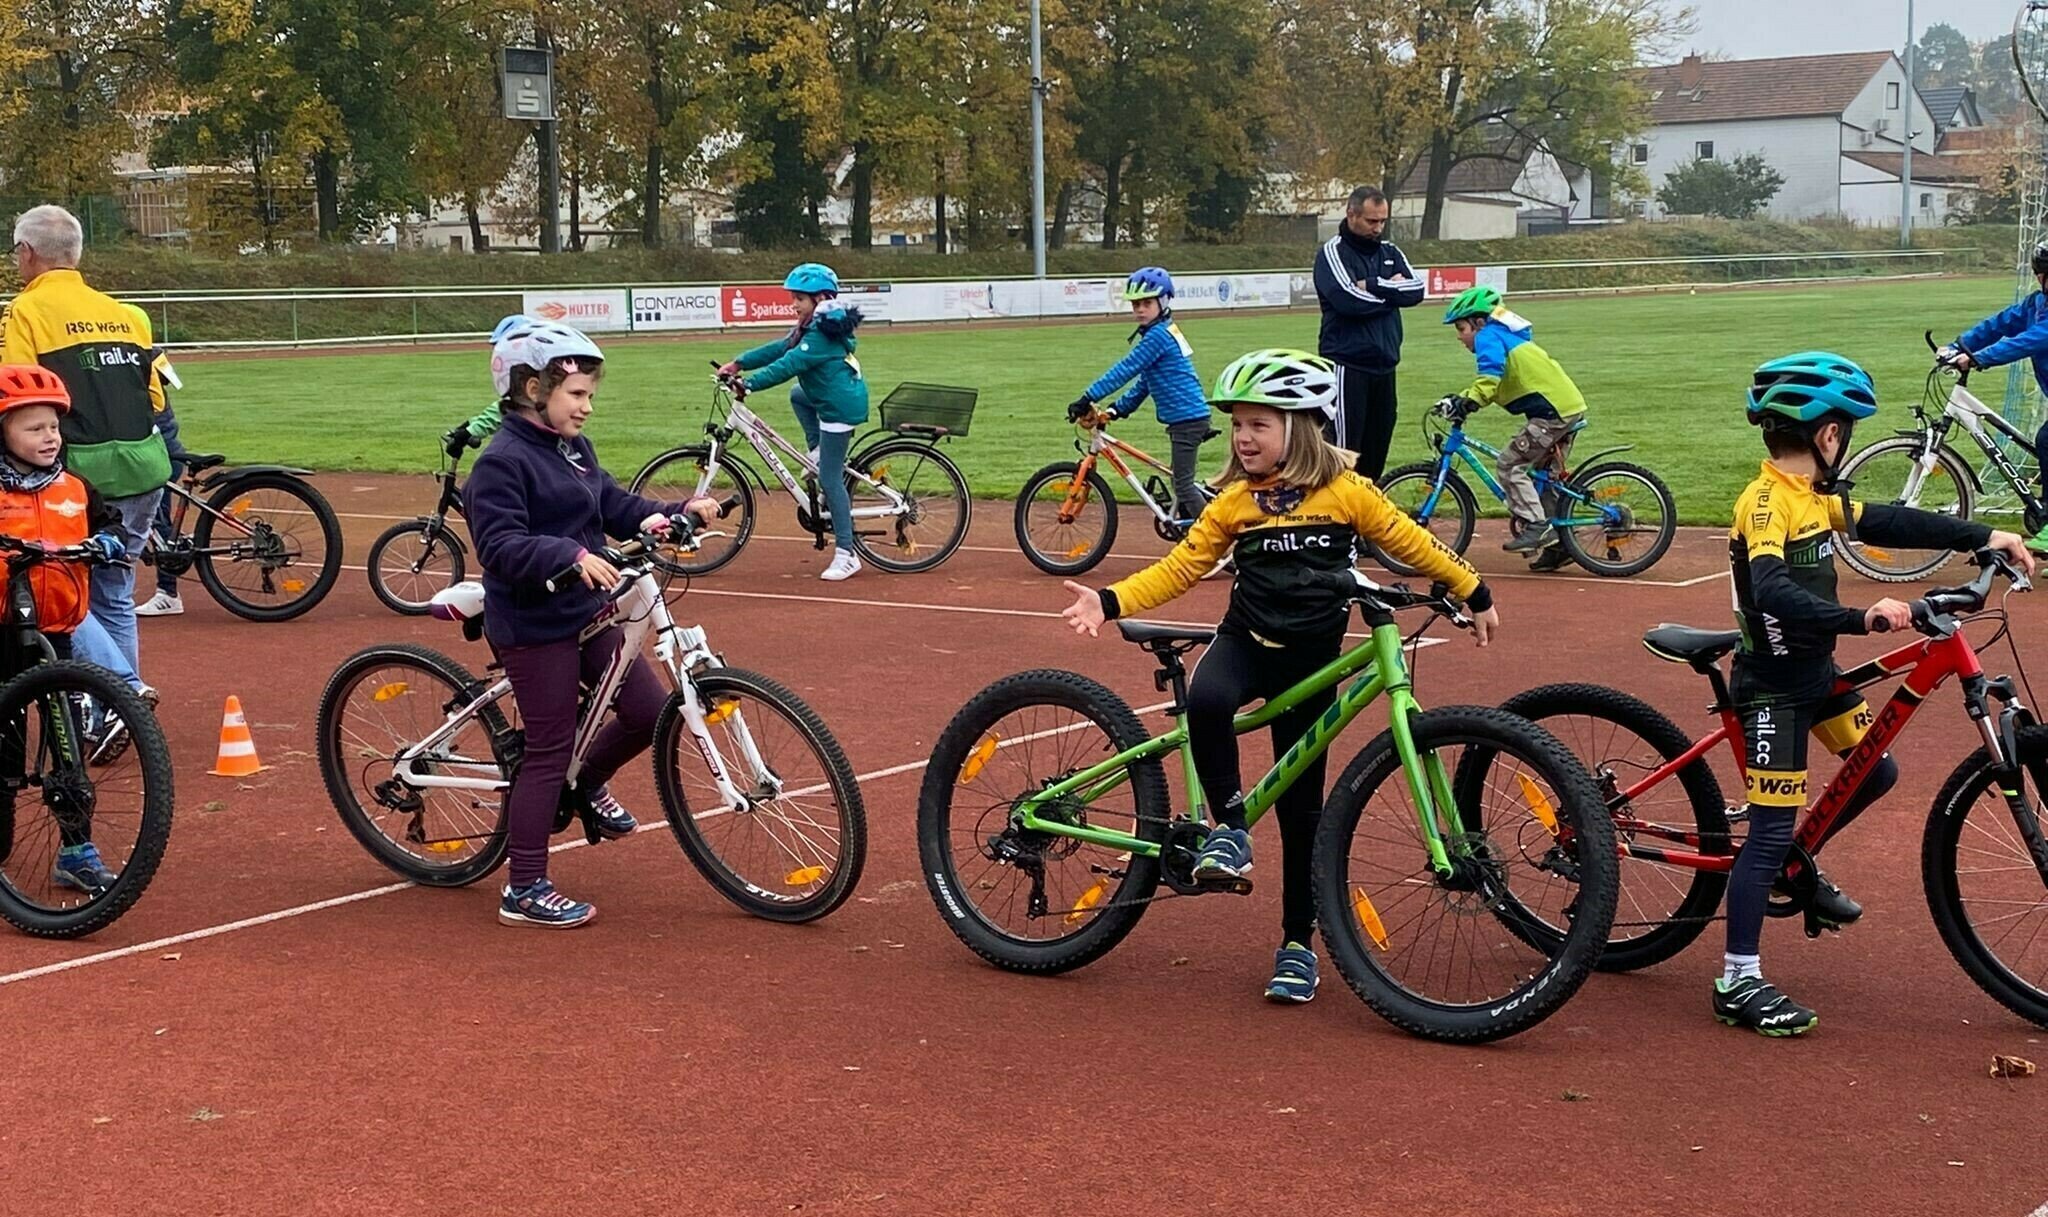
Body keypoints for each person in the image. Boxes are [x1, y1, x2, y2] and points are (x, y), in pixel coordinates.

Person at [1059, 349, 1498, 1003]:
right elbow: (1181, 567)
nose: (1243, 436)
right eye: (1238, 424)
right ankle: (1229, 828)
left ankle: (1297, 943)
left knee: (1302, 814)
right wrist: (1110, 599)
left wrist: (1473, 586)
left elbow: (1411, 540)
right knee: (1209, 699)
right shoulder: (1236, 501)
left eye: (1259, 424)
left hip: (1311, 660)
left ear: (1303, 426)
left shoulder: (1347, 492)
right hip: (1247, 644)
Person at [1716, 351, 2036, 1035]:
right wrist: (1861, 617)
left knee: (1877, 768)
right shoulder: (1766, 501)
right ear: (1829, 435)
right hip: (1773, 687)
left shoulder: (1812, 499)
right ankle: (1738, 978)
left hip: (1814, 676)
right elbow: (1769, 588)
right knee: (1769, 833)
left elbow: (1888, 521)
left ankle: (1793, 861)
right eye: (1848, 430)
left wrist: (1985, 535)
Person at [464, 320, 719, 928]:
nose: (587, 405)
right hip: (533, 621)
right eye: (576, 394)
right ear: (531, 388)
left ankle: (585, 785)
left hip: (584, 611)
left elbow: (610, 504)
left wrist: (672, 512)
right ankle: (522, 888)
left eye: (589, 394)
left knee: (645, 714)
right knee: (549, 750)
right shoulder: (501, 462)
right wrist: (572, 555)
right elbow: (499, 546)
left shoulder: (572, 449)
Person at [0, 206, 172, 696]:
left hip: (77, 474)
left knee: (60, 596)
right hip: (144, 466)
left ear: (27, 253)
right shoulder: (123, 313)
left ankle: (113, 694)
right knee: (114, 594)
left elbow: (17, 398)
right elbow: (155, 396)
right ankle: (119, 712)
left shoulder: (26, 312)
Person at [0, 365, 130, 892]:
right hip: (2, 635)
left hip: (57, 632)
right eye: (33, 428)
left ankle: (77, 850)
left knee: (68, 747)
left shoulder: (74, 489)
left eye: (54, 426)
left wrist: (110, 541)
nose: (49, 437)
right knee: (4, 752)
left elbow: (108, 522)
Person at [716, 264, 868, 582]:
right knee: (798, 395)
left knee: (830, 478)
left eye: (800, 298)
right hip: (823, 398)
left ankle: (847, 553)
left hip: (838, 409)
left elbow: (790, 363)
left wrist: (750, 384)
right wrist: (739, 362)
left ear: (821, 299)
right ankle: (816, 450)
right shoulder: (809, 326)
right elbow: (779, 348)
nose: (794, 304)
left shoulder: (822, 335)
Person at [1437, 285, 1584, 568]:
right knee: (1545, 477)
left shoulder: (1488, 336)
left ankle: (1536, 524)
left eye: (1461, 327)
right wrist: (1466, 398)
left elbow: (1489, 380)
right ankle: (1562, 543)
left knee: (1509, 463)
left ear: (1478, 322)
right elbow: (1496, 384)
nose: (1459, 336)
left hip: (1552, 414)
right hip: (1566, 408)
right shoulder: (1504, 335)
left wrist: (1467, 402)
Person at [1066, 268, 1212, 525]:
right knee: (1179, 481)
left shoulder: (1158, 337)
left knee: (1184, 486)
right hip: (1186, 418)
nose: (1140, 309)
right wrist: (1117, 410)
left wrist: (1087, 396)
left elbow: (1126, 369)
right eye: (1136, 304)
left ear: (1163, 302)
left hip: (1187, 420)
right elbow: (1145, 382)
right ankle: (1192, 528)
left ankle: (1217, 538)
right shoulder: (1164, 332)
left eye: (1146, 303)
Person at [1938, 240, 2048, 551]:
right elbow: (2000, 325)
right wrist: (1959, 345)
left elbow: (2029, 340)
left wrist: (1979, 357)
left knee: (2047, 440)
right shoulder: (2035, 304)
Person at [1313, 187, 1425, 480]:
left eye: (1382, 221)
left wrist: (1373, 283)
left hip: (1386, 365)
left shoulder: (1390, 252)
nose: (1378, 228)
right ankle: (1336, 517)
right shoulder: (1333, 252)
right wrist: (1392, 293)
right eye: (1371, 221)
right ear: (1351, 214)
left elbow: (1416, 291)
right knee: (1345, 451)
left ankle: (1365, 516)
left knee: (1377, 449)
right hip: (1347, 365)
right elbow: (1348, 300)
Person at [130, 303, 194, 618]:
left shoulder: (128, 357)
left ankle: (168, 592)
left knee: (159, 521)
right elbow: (173, 381)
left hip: (158, 447)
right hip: (168, 440)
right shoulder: (151, 352)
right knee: (158, 519)